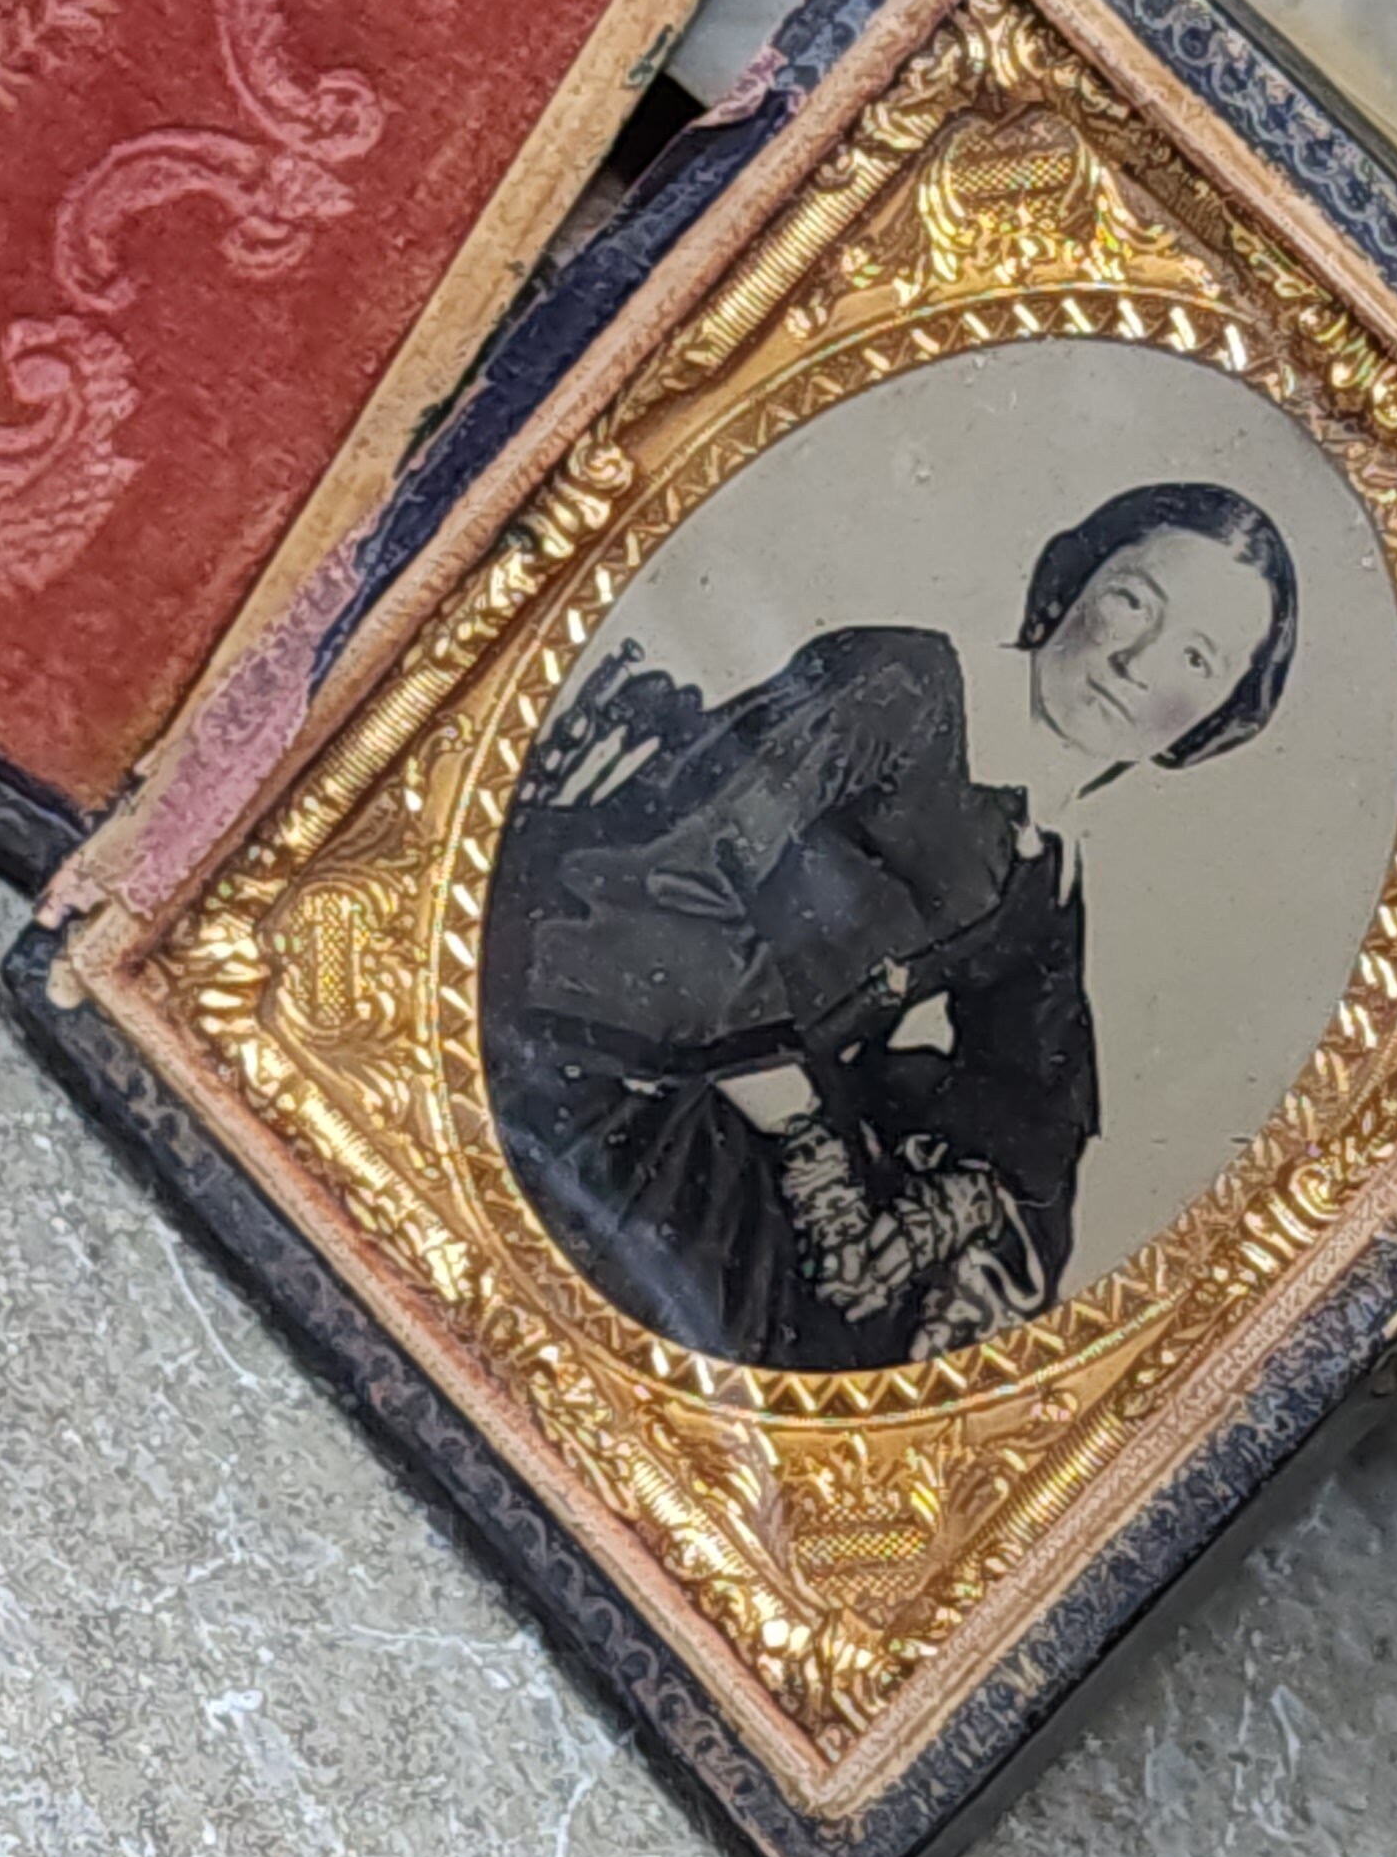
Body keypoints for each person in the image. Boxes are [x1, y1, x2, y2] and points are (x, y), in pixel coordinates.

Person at [480, 482, 1299, 1372]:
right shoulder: (897, 686)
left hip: (750, 1142)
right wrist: (806, 1143)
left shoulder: (1044, 864)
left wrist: (926, 1220)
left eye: (1200, 660)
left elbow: (1036, 1111)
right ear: (1069, 583)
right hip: (602, 1056)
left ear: (1215, 721)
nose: (1140, 662)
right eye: (1134, 600)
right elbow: (663, 876)